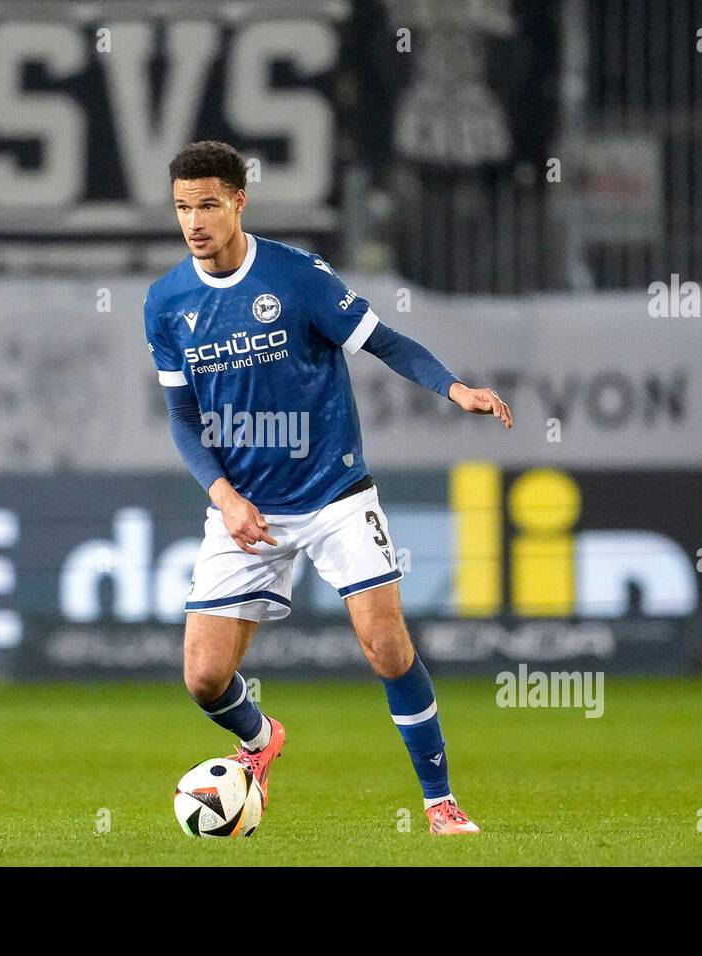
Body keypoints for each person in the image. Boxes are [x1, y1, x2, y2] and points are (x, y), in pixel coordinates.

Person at [144, 141, 512, 835]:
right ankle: (260, 743)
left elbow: (384, 340)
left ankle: (439, 803)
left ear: (239, 202)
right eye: (183, 208)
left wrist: (454, 387)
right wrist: (223, 495)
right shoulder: (166, 302)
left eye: (209, 205)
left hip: (335, 493)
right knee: (202, 679)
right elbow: (183, 418)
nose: (195, 222)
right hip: (246, 507)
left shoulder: (296, 276)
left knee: (385, 646)